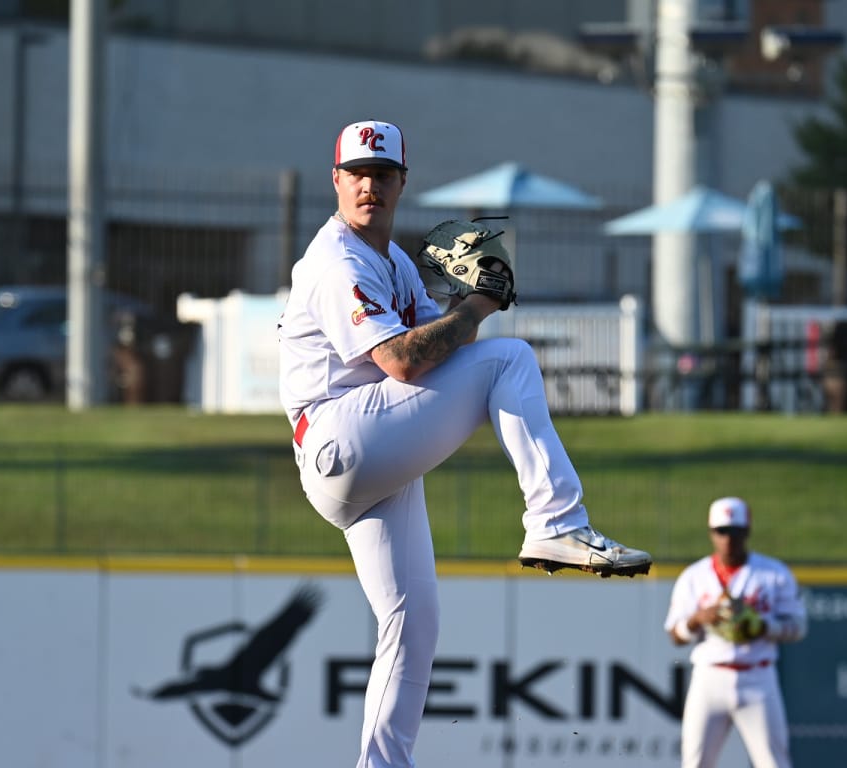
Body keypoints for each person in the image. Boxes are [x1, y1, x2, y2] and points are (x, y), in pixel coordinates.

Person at [277, 118, 652, 768]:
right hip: (342, 438)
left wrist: (468, 298)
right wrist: (478, 305)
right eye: (358, 173)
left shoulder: (389, 260)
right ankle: (556, 522)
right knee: (512, 362)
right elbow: (402, 360)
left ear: (401, 183)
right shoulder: (336, 260)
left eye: (383, 174)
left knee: (413, 624)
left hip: (370, 455)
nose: (370, 185)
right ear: (336, 181)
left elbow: (446, 344)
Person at [663, 496, 806, 768]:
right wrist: (697, 619)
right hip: (710, 678)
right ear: (711, 533)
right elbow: (675, 635)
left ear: (747, 531)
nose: (728, 539)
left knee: (774, 763)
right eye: (722, 531)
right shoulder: (694, 576)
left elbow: (798, 627)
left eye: (735, 532)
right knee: (694, 764)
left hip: (758, 676)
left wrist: (764, 626)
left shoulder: (773, 574)